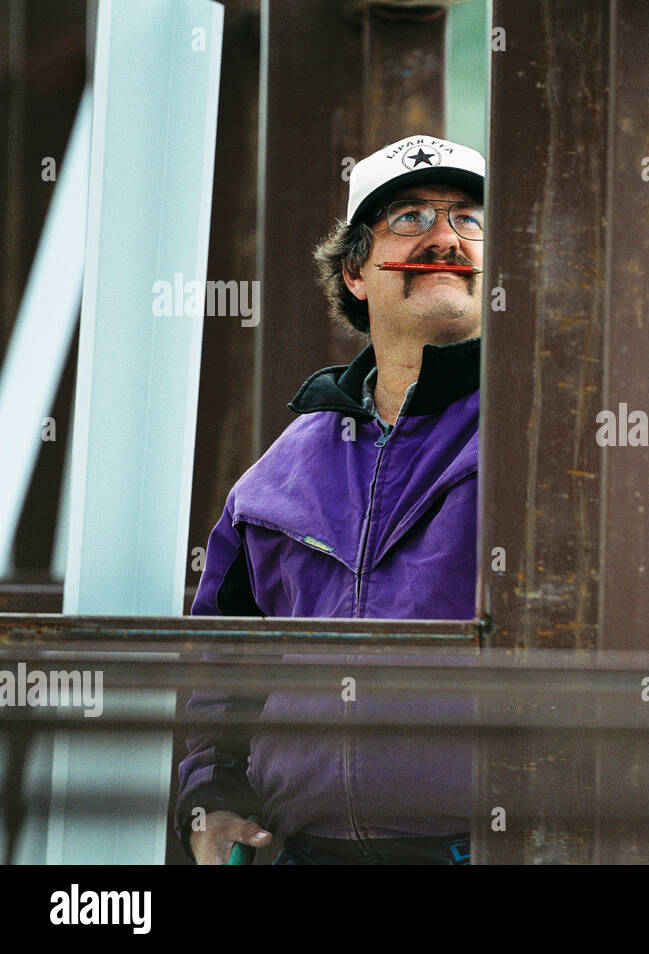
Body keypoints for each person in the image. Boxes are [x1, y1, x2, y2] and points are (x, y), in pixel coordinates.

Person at [175, 134, 488, 865]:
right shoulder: (279, 473)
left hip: (481, 848)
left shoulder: (548, 420)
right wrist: (211, 799)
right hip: (306, 853)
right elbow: (225, 662)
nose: (444, 238)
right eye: (408, 218)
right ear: (354, 270)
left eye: (470, 220)